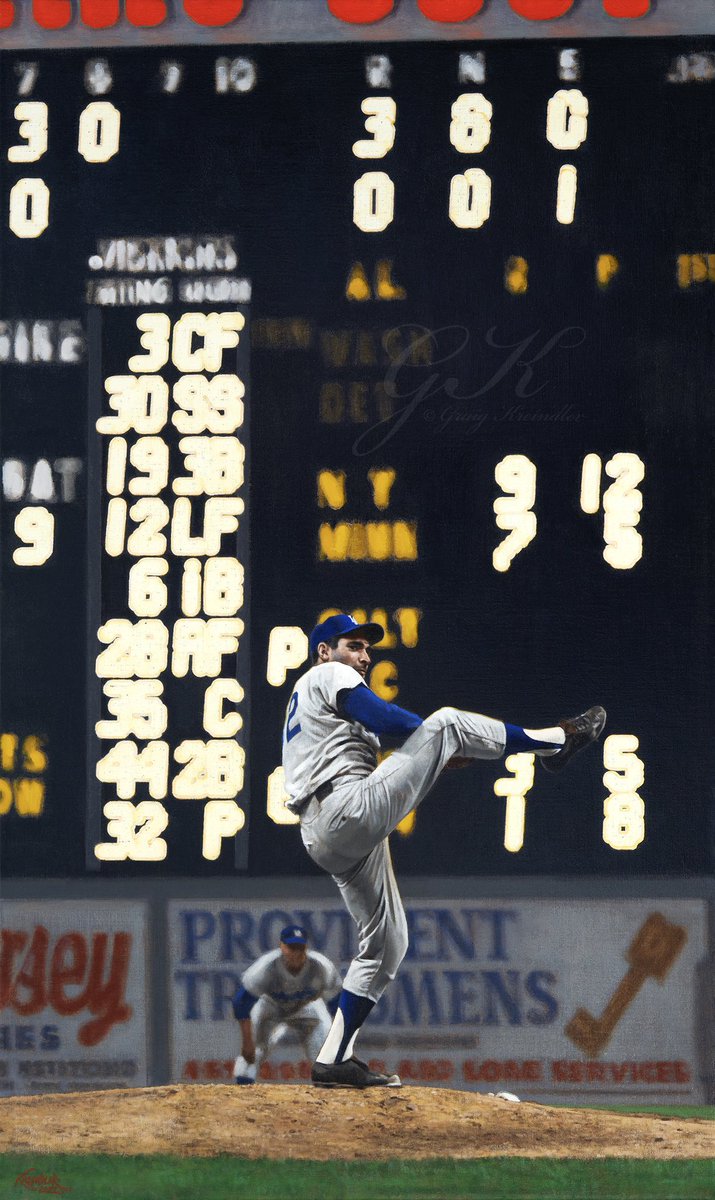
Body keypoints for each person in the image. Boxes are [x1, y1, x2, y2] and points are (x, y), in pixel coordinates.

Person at [282, 612, 607, 1090]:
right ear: (324, 651)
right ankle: (555, 742)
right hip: (342, 809)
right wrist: (432, 739)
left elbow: (377, 740)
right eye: (354, 646)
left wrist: (432, 753)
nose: (365, 656)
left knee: (387, 943)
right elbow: (383, 717)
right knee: (447, 722)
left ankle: (335, 1058)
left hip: (331, 829)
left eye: (368, 649)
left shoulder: (313, 697)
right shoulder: (328, 675)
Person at [232, 925, 342, 1084]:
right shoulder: (265, 967)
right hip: (270, 1005)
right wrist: (247, 1042)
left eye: (300, 948)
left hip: (307, 1007)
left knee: (326, 1057)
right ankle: (240, 1096)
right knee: (252, 1055)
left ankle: (328, 1101)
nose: (296, 953)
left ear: (306, 948)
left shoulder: (321, 967)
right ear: (282, 947)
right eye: (291, 947)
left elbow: (337, 1004)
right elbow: (241, 1002)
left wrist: (343, 1041)